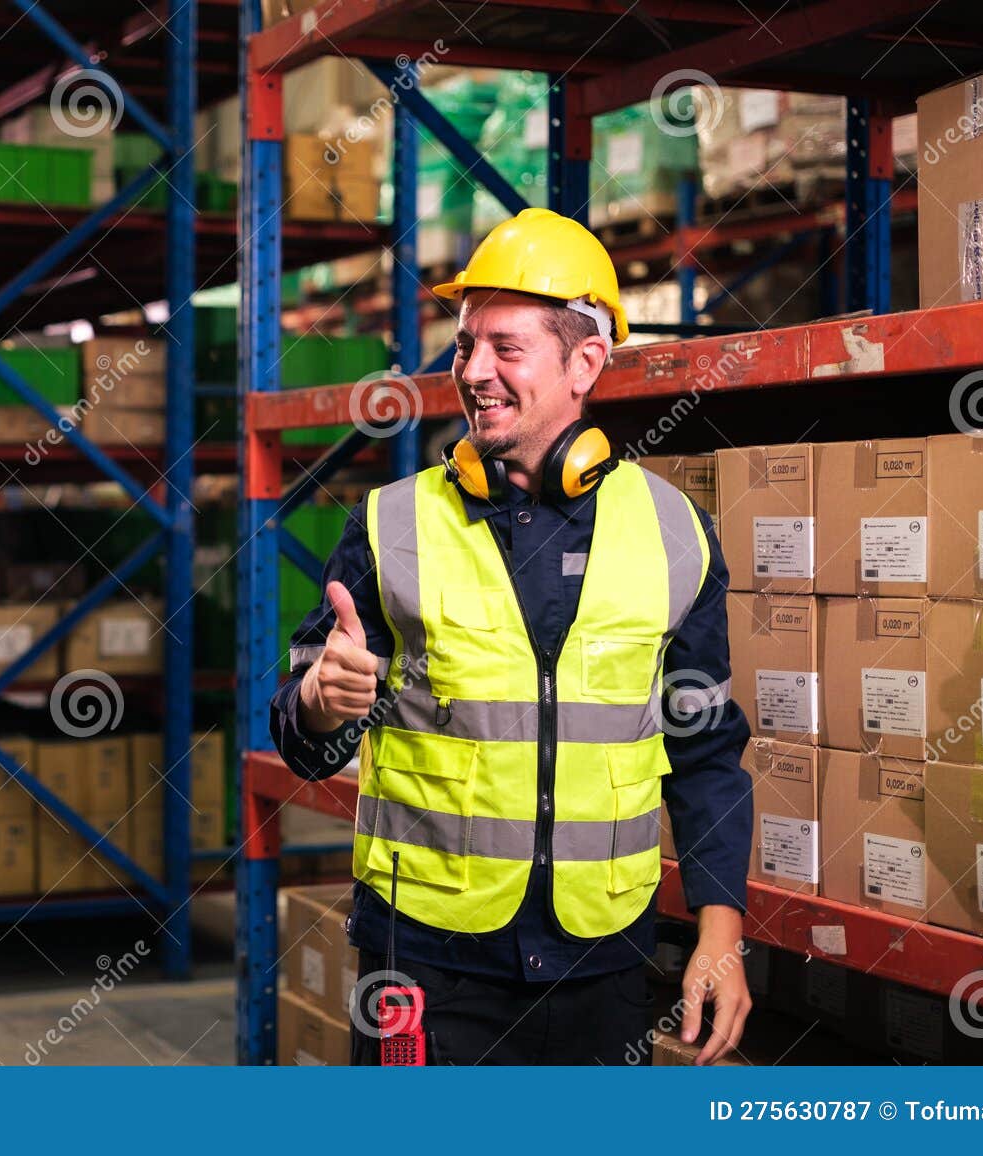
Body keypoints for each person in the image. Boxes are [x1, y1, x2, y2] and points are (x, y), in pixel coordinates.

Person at [271, 208, 753, 1066]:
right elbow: (304, 740)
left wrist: (721, 931)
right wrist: (318, 702)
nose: (473, 372)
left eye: (504, 347)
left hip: (604, 965)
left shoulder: (677, 534)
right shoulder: (393, 524)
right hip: (423, 962)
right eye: (464, 346)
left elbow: (706, 748)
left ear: (585, 363)